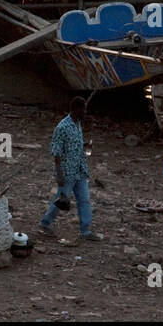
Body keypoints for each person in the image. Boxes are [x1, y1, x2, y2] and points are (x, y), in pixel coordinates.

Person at [40, 97, 100, 241]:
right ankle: (45, 223)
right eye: (83, 109)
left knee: (84, 200)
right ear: (76, 110)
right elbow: (56, 152)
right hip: (67, 172)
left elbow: (73, 144)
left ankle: (85, 231)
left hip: (80, 170)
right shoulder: (62, 127)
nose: (85, 112)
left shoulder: (77, 123)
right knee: (61, 200)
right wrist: (59, 174)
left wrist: (83, 145)